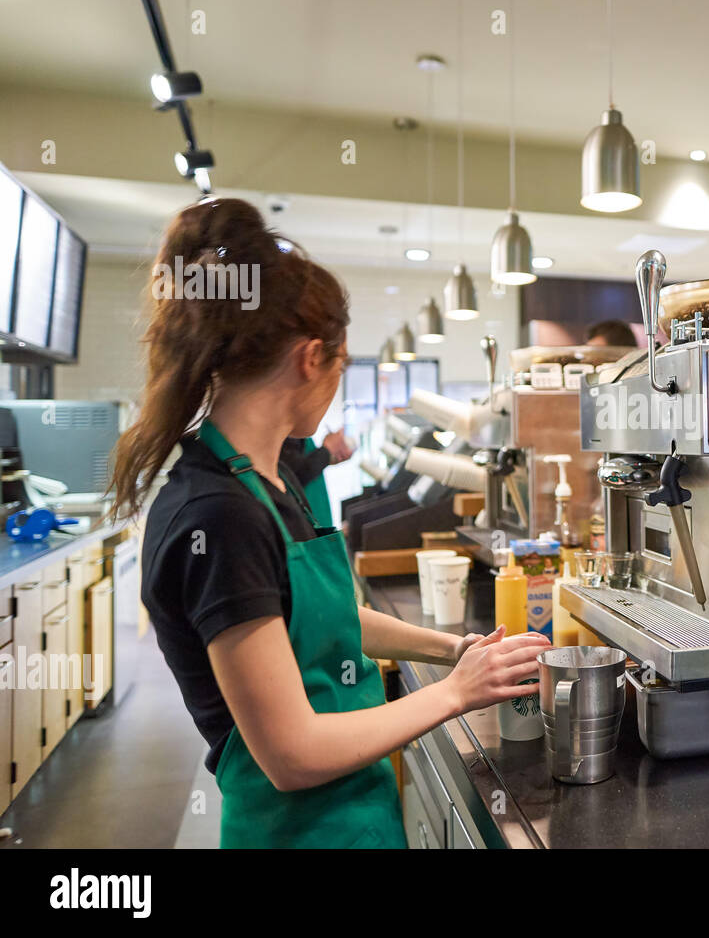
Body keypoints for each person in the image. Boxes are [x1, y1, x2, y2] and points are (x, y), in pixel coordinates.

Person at [114, 198, 550, 848]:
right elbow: (292, 754)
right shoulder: (220, 516)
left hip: (356, 817)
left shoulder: (268, 482)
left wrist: (454, 651)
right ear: (310, 358)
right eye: (342, 366)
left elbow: (323, 617)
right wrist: (455, 693)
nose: (339, 384)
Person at [279, 432, 352, 527]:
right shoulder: (284, 438)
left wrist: (327, 456)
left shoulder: (301, 436)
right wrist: (326, 452)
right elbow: (290, 478)